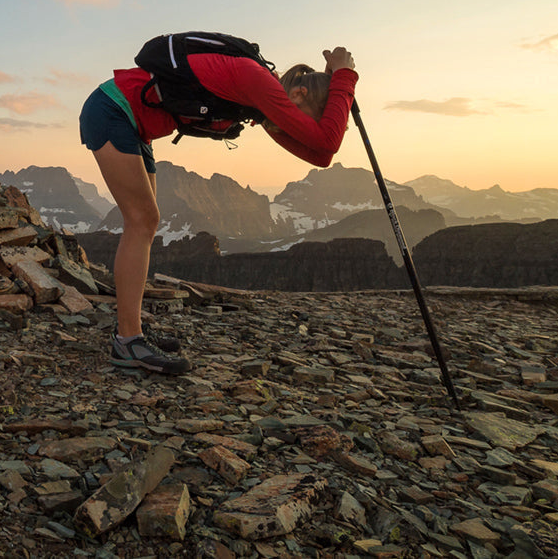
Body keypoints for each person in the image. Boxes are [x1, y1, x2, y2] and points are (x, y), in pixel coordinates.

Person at [79, 42, 358, 374]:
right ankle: (128, 342)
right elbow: (326, 140)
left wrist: (336, 84)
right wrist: (345, 76)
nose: (304, 125)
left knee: (146, 223)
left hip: (133, 123)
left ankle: (131, 328)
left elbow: (321, 154)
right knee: (142, 221)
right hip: (112, 109)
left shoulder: (261, 105)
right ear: (297, 95)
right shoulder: (258, 83)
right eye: (310, 117)